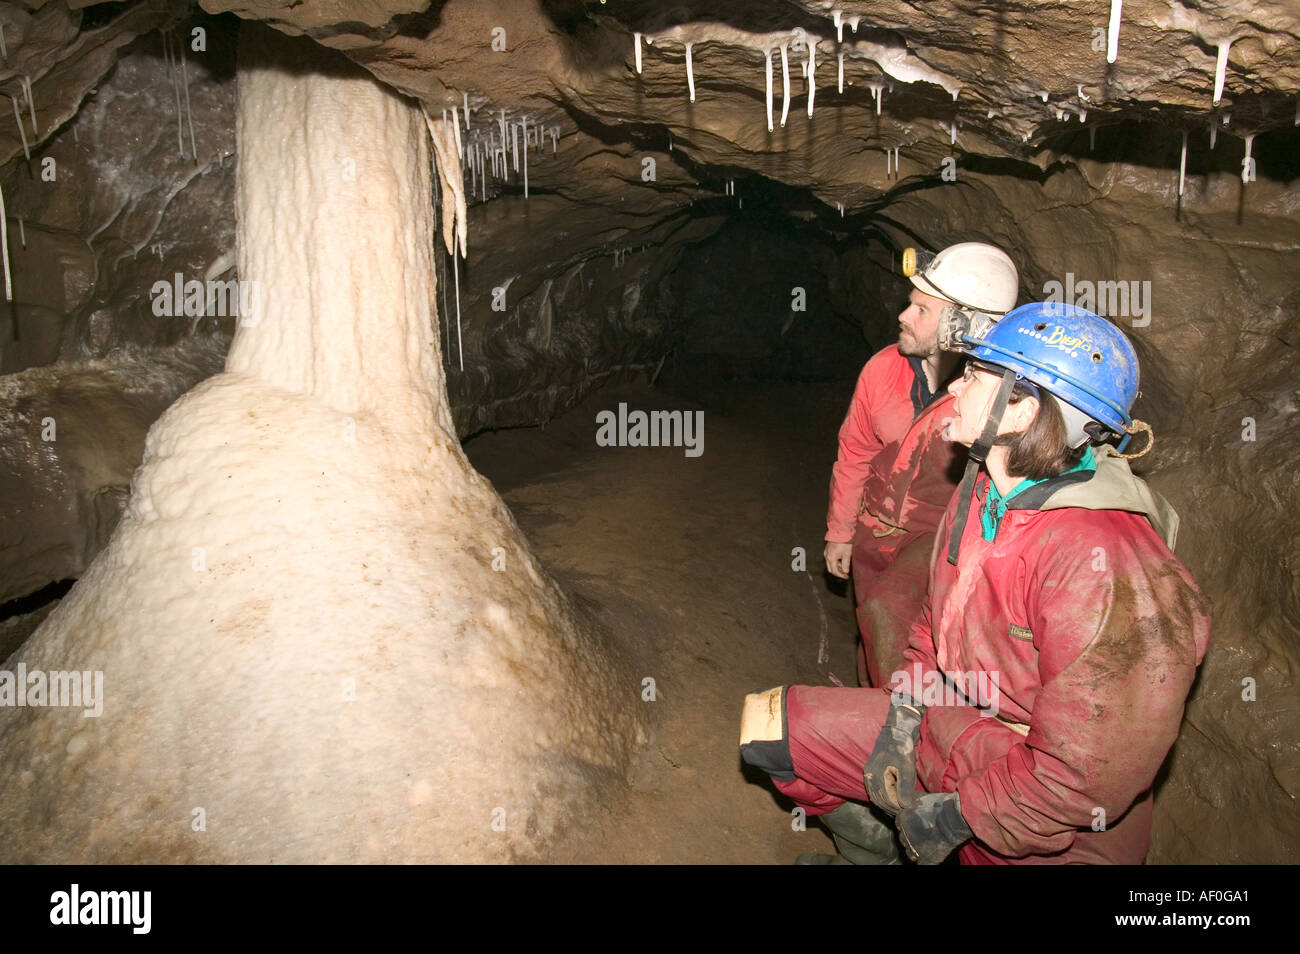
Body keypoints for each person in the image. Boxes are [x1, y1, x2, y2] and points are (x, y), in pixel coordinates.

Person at [743, 302, 1212, 864]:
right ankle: (874, 851)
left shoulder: (1111, 566)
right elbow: (935, 622)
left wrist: (958, 815)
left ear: (1022, 412)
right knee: (768, 729)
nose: (957, 388)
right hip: (949, 723)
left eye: (974, 376)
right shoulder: (985, 491)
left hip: (1038, 801)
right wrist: (907, 710)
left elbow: (1080, 779)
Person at [823, 242, 1019, 687]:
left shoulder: (995, 396)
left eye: (921, 311)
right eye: (910, 304)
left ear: (961, 326)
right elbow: (855, 451)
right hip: (873, 531)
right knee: (872, 630)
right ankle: (871, 712)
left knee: (889, 613)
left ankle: (904, 730)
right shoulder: (882, 369)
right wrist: (840, 531)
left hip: (936, 538)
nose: (903, 316)